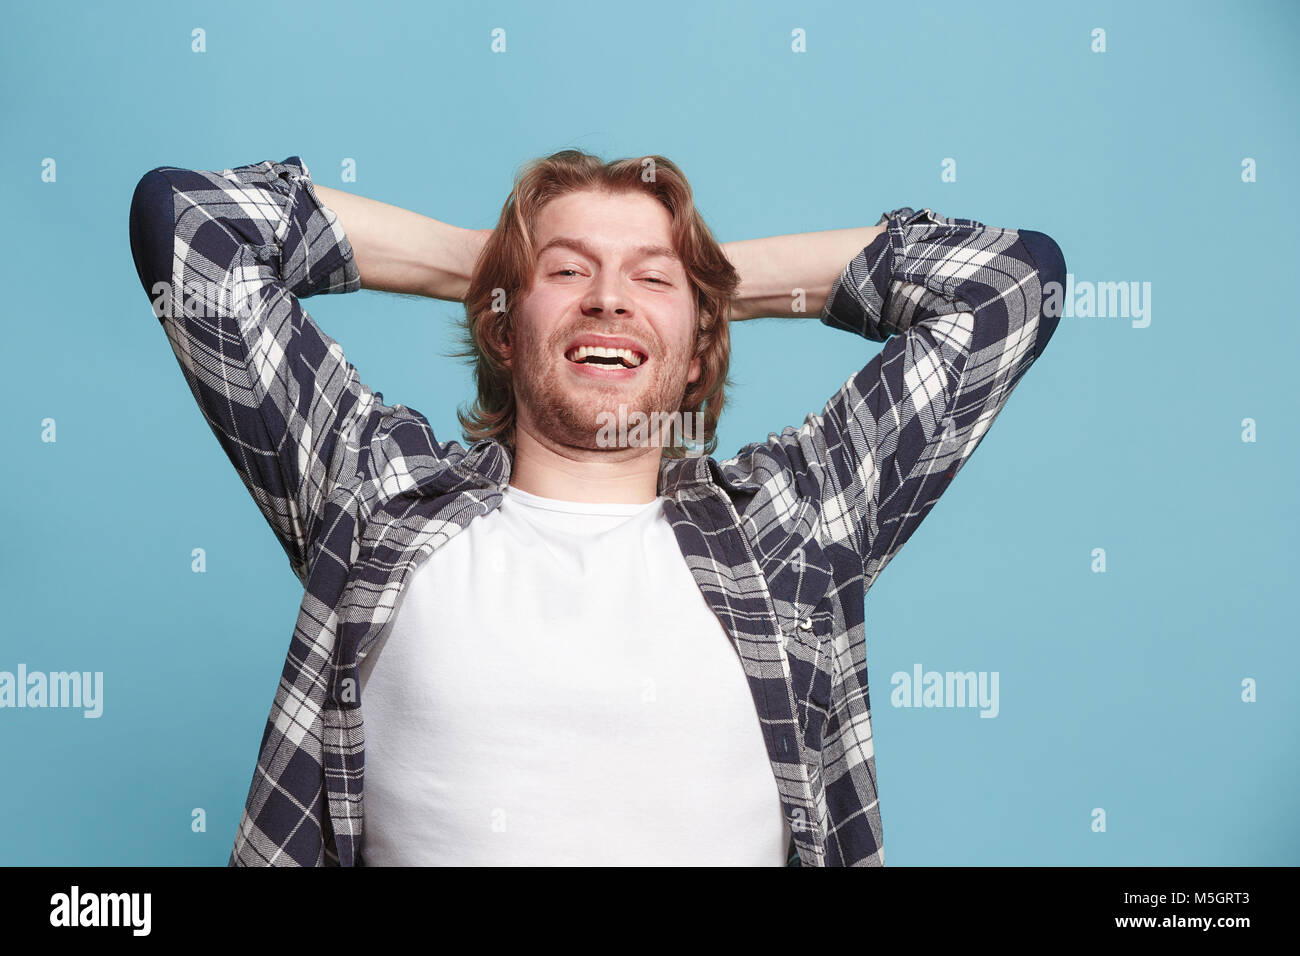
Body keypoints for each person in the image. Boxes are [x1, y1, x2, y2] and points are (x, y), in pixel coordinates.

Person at [127, 152, 1065, 866]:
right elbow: (192, 226)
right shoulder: (375, 493)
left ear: (701, 346)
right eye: (568, 273)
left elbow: (1010, 286)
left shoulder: (791, 523)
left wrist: (711, 280)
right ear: (502, 324)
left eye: (649, 279)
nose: (610, 298)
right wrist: (493, 262)